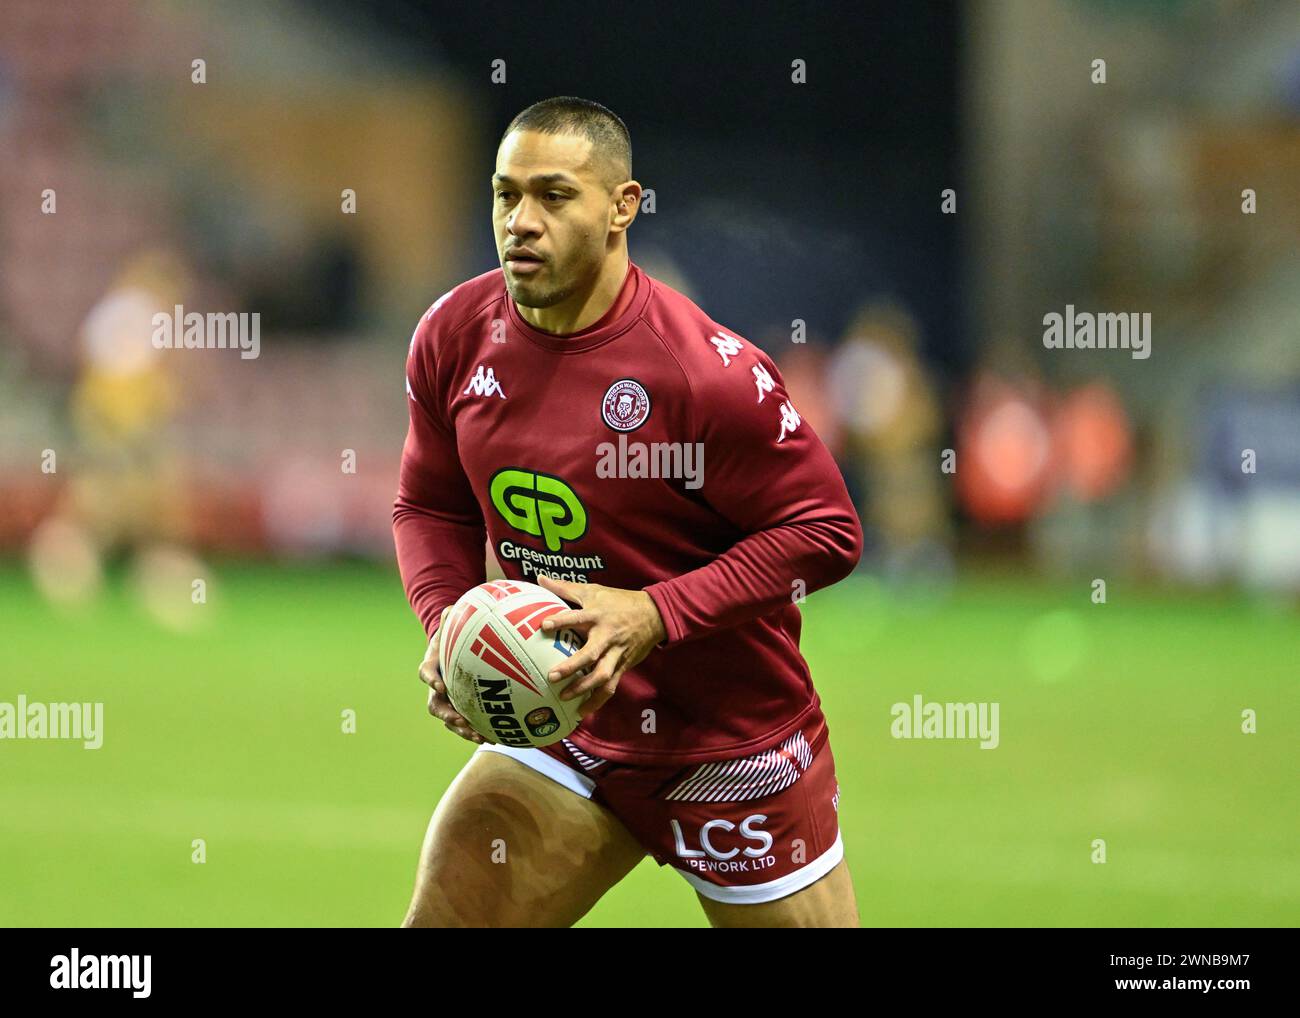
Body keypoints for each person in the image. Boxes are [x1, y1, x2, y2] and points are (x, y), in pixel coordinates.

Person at [393, 97, 862, 927]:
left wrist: (654, 612)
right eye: (505, 195)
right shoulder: (454, 336)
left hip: (730, 745)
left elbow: (826, 531)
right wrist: (446, 624)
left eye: (553, 195)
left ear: (622, 206)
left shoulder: (704, 374)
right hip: (563, 718)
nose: (521, 222)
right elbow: (429, 503)